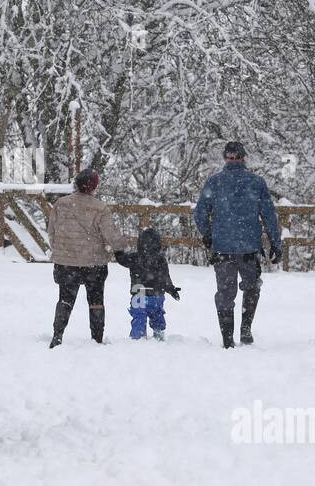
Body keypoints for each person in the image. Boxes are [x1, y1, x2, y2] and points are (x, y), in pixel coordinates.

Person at [192, 141, 283, 348]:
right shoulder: (256, 183)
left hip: (223, 247)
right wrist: (276, 243)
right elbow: (269, 215)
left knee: (225, 294)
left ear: (226, 158)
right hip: (248, 247)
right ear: (244, 158)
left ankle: (227, 339)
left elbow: (199, 214)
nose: (232, 160)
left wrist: (208, 234)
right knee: (251, 287)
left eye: (232, 157)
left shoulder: (214, 182)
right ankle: (245, 328)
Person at [47, 168, 127, 347]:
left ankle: (57, 335)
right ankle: (97, 339)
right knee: (96, 300)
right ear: (94, 186)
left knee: (65, 299)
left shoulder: (61, 204)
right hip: (94, 263)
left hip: (66, 262)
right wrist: (120, 249)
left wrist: (62, 251)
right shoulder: (99, 208)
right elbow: (111, 234)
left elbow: (52, 232)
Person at [115, 227, 181, 341]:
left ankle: (138, 337)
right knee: (157, 315)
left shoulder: (135, 257)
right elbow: (165, 279)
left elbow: (122, 260)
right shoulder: (160, 260)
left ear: (140, 243)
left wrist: (118, 250)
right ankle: (158, 335)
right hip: (156, 295)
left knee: (139, 317)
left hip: (139, 294)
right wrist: (172, 290)